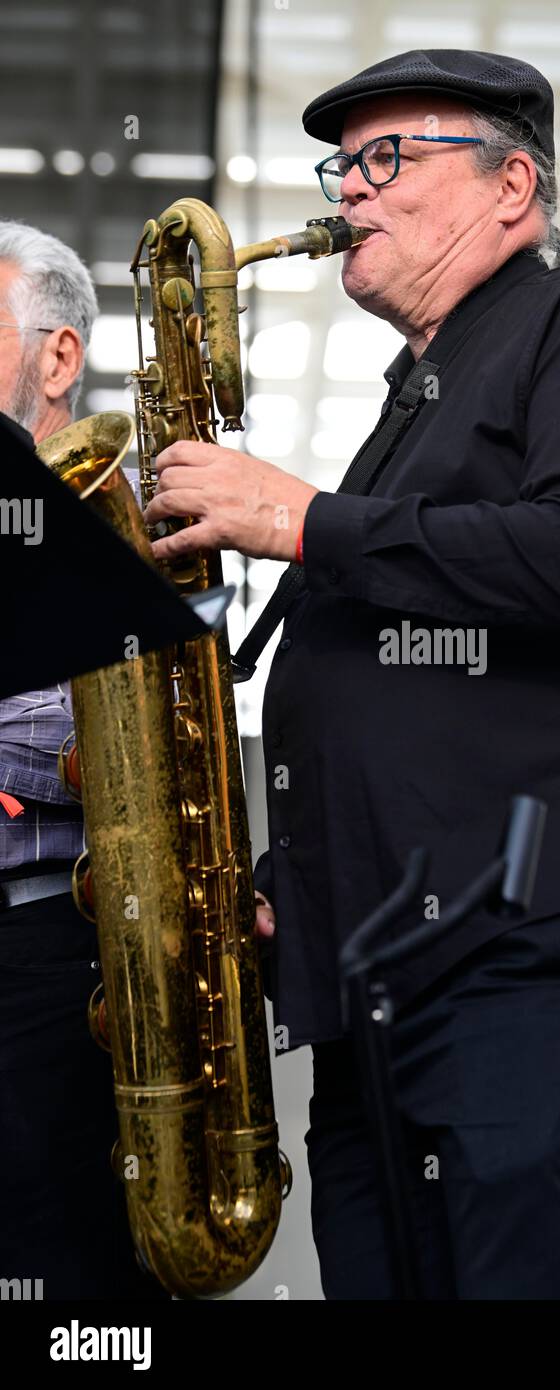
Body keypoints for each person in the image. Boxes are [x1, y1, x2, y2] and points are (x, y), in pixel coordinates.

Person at [145, 50, 560, 1300]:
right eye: (340, 167)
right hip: (383, 996)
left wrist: (301, 520)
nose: (348, 192)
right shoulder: (409, 404)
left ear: (513, 184)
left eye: (386, 159)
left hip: (532, 968)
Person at [0, 221, 168, 1300]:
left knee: (71, 1287)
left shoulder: (128, 515)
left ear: (56, 358)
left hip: (53, 956)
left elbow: (124, 736)